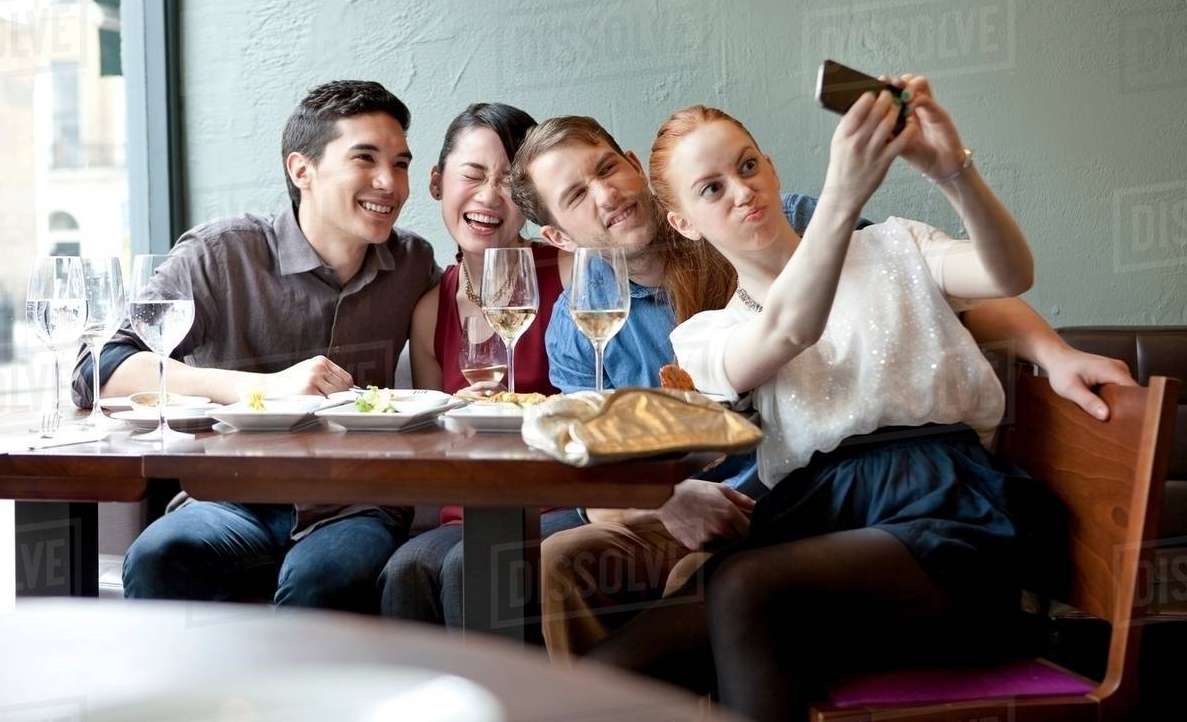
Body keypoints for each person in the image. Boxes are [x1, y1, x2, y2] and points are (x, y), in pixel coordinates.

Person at [507, 113, 1134, 657]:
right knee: (566, 560)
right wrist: (668, 496)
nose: (607, 193)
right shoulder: (632, 324)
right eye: (577, 194)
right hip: (756, 499)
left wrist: (1050, 350)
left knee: (720, 584)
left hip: (811, 494)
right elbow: (597, 449)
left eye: (607, 167)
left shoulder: (805, 220)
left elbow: (919, 293)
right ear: (558, 236)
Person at [589, 82, 1061, 721]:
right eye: (712, 189)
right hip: (815, 524)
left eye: (748, 166)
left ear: (772, 167)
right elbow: (790, 330)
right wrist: (843, 194)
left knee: (744, 586)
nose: (741, 190)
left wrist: (953, 171)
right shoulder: (706, 335)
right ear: (683, 224)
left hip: (948, 515)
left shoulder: (896, 246)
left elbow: (1009, 274)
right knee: (607, 677)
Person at [71, 80, 440, 614]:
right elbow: (99, 366)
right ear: (301, 170)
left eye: (401, 164)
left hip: (356, 505)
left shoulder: (412, 263)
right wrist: (261, 389)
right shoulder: (223, 255)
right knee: (160, 555)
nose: (389, 183)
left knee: (325, 579)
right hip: (229, 497)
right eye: (366, 159)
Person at [380, 103, 582, 628]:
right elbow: (437, 444)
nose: (490, 197)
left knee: (468, 567)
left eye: (513, 185)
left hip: (561, 501)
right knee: (405, 569)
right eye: (472, 174)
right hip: (470, 508)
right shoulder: (430, 309)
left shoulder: (569, 270)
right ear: (436, 181)